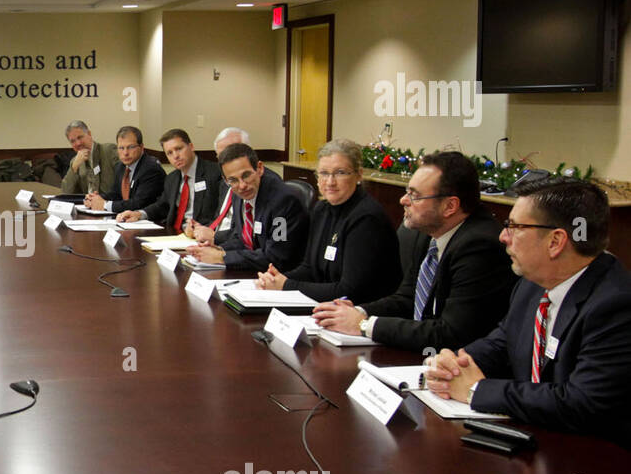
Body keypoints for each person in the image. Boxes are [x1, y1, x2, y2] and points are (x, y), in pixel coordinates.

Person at [426, 179, 631, 435]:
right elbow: (503, 343)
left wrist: (475, 390)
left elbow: (582, 403)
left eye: (514, 227)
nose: (503, 237)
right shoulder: (531, 285)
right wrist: (455, 365)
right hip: (537, 438)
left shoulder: (615, 304)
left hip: (596, 458)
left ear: (555, 241)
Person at [314, 151, 517, 351]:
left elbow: (451, 333)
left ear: (450, 206)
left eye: (414, 195)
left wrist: (364, 325)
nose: (403, 200)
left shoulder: (479, 246)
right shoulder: (429, 230)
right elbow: (407, 298)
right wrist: (357, 312)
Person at [255, 139, 401, 302]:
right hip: (327, 305)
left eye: (340, 173)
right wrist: (276, 280)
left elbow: (349, 291)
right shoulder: (321, 209)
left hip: (359, 313)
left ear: (358, 175)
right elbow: (310, 268)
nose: (330, 182)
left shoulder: (367, 219)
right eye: (324, 173)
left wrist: (286, 285)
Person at [187, 143, 308, 271]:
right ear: (225, 180)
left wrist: (223, 256)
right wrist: (218, 249)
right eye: (233, 180)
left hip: (282, 276)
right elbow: (243, 239)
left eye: (246, 175)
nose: (242, 185)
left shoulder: (283, 201)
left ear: (260, 168)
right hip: (255, 272)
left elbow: (276, 257)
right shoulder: (237, 193)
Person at [116, 128, 222, 232]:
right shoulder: (172, 178)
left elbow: (221, 212)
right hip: (175, 234)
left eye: (179, 149)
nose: (175, 156)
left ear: (191, 146)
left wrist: (204, 230)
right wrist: (139, 214)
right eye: (169, 153)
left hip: (201, 235)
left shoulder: (214, 173)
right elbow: (162, 205)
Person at [84, 125, 164, 214]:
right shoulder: (120, 166)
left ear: (141, 147)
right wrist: (96, 198)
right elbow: (116, 194)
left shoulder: (150, 168)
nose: (125, 153)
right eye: (121, 148)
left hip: (151, 222)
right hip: (126, 220)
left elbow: (139, 203)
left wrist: (105, 205)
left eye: (130, 147)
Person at [60, 121, 117, 195]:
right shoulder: (75, 161)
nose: (78, 143)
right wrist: (74, 168)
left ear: (89, 134)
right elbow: (65, 192)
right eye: (73, 141)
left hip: (108, 203)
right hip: (86, 204)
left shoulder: (108, 150)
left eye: (80, 137)